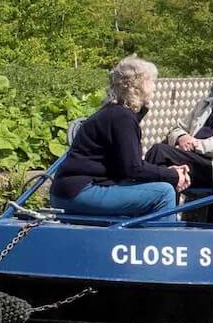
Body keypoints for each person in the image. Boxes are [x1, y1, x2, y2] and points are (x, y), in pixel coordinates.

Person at [51, 55, 189, 217]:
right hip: (80, 191)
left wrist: (167, 172)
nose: (154, 87)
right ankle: (162, 241)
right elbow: (133, 169)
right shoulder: (122, 117)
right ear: (138, 85)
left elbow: (126, 165)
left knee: (155, 185)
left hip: (69, 190)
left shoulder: (114, 112)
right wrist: (172, 175)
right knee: (164, 192)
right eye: (152, 81)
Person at [145, 63, 213, 211]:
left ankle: (143, 211)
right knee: (169, 170)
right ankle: (163, 216)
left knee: (160, 152)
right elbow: (177, 129)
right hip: (191, 160)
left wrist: (195, 145)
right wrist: (182, 138)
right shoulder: (205, 105)